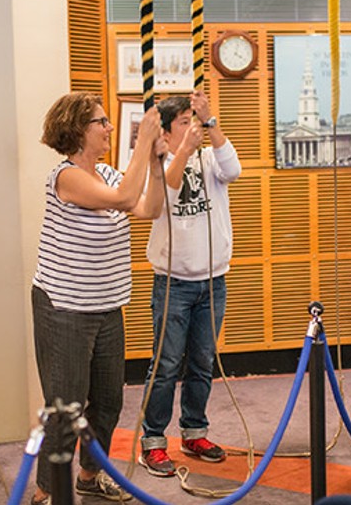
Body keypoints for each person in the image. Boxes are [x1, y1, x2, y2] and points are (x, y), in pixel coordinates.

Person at [31, 92, 166, 504]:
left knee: (108, 402)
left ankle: (90, 476)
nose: (109, 128)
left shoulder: (107, 173)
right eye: (101, 122)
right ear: (76, 131)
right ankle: (44, 492)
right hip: (65, 309)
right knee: (65, 408)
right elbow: (126, 199)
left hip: (107, 305)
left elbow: (148, 208)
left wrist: (157, 166)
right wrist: (143, 141)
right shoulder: (66, 177)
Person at [138, 91, 241, 476]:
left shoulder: (210, 154)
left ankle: (194, 430)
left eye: (192, 119)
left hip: (213, 280)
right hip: (173, 282)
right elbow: (167, 192)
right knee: (165, 365)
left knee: (201, 361)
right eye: (184, 121)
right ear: (165, 130)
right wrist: (181, 149)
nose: (192, 126)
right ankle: (153, 439)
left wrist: (211, 121)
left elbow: (234, 171)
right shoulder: (157, 160)